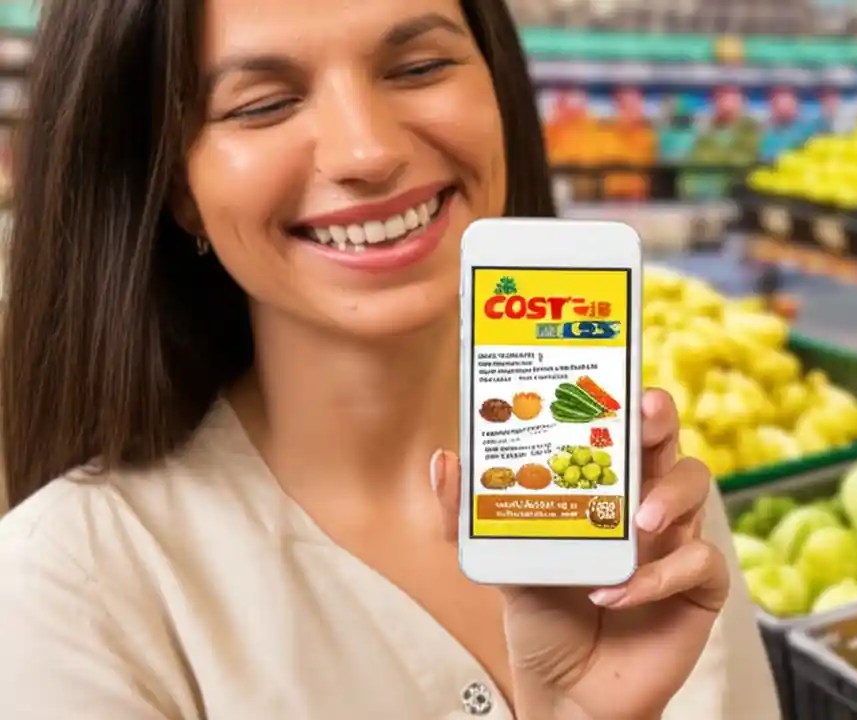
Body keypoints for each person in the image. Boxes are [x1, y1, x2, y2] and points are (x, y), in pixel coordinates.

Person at [0, 0, 782, 718]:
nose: (366, 151)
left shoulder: (641, 507)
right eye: (263, 104)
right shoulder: (68, 591)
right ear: (176, 184)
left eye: (419, 69)